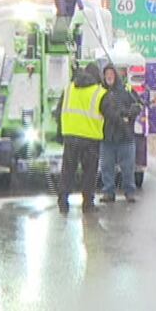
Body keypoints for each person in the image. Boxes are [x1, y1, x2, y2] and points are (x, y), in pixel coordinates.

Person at [55, 63, 106, 214]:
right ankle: (87, 203)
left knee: (68, 171)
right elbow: (111, 114)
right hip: (90, 138)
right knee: (89, 173)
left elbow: (58, 112)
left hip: (70, 136)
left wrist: (60, 134)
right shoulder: (99, 92)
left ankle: (63, 201)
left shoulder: (69, 89)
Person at [96, 63, 141, 203]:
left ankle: (129, 192)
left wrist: (131, 113)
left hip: (125, 136)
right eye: (106, 74)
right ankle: (108, 192)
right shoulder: (100, 92)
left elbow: (138, 105)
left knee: (128, 168)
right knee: (106, 167)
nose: (109, 76)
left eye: (111, 74)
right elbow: (103, 110)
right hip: (107, 136)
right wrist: (120, 116)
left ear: (116, 75)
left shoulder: (127, 90)